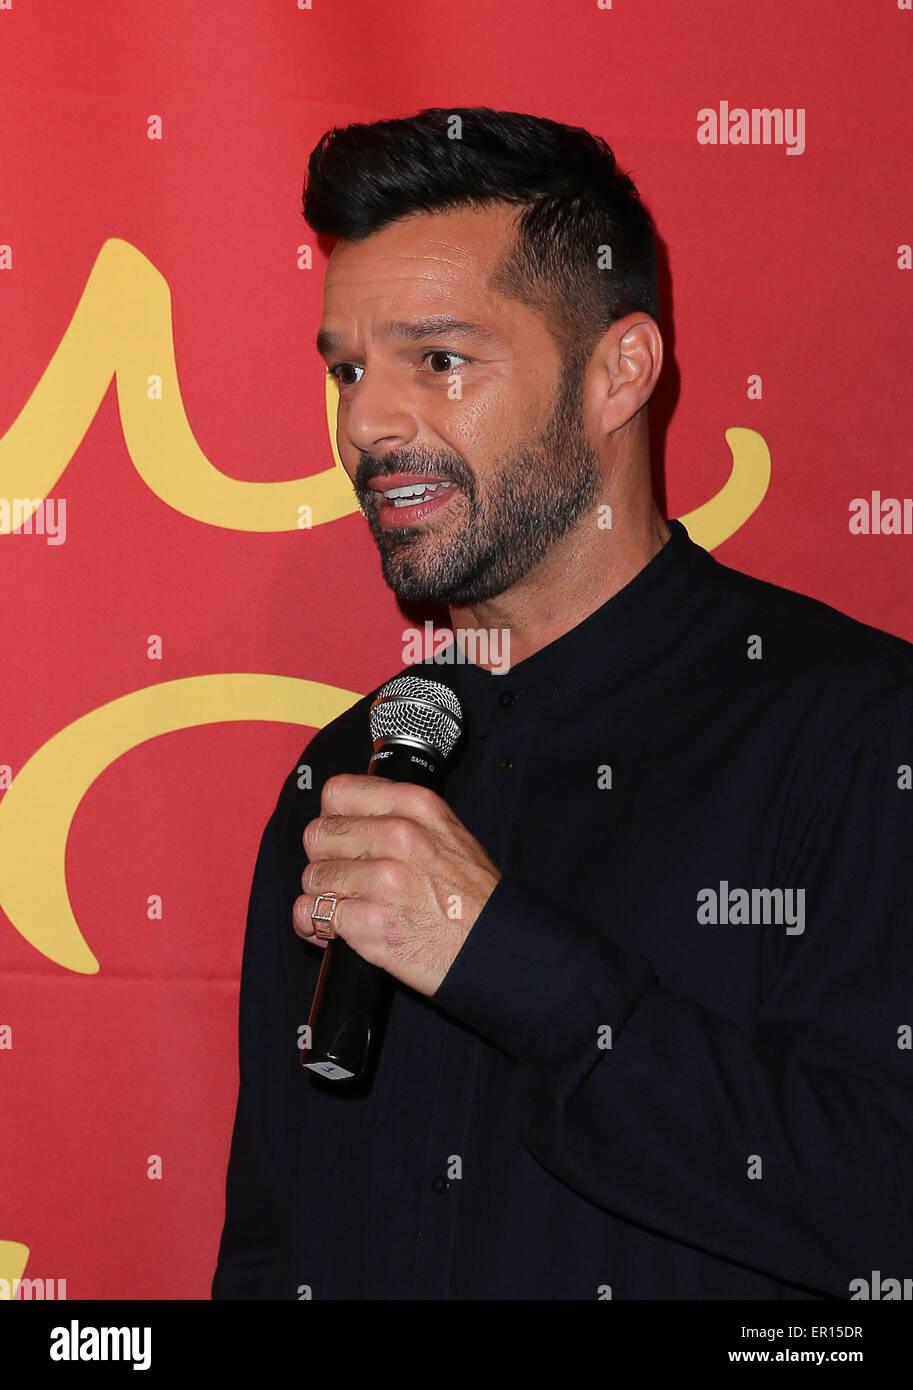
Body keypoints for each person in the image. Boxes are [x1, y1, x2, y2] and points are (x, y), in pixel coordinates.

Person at [212, 107, 913, 1299]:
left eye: (438, 359)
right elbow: (276, 1243)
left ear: (617, 372)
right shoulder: (350, 774)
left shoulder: (855, 732)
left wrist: (505, 958)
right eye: (347, 367)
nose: (368, 423)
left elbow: (883, 1208)